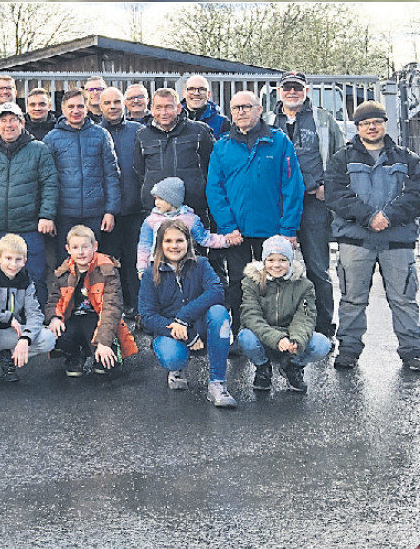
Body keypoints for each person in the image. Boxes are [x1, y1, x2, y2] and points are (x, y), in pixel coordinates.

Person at [325, 100, 420, 372]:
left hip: (397, 240)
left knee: (403, 298)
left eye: (376, 121)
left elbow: (418, 195)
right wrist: (369, 216)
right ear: (357, 127)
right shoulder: (342, 159)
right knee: (352, 298)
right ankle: (348, 349)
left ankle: (412, 352)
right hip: (355, 240)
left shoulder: (407, 158)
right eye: (365, 123)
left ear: (385, 124)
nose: (371, 127)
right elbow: (336, 195)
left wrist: (388, 216)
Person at [206, 90, 304, 336]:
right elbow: (215, 190)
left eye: (247, 107)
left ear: (259, 110)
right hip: (236, 231)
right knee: (239, 282)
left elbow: (293, 185)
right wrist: (228, 227)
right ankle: (241, 331)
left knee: (275, 282)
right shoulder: (222, 147)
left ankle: (275, 333)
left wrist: (288, 230)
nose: (241, 112)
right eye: (236, 108)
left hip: (272, 231)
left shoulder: (279, 142)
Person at [268, 70, 346, 340]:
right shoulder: (267, 121)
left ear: (306, 90)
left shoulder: (323, 120)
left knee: (317, 269)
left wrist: (329, 188)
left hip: (314, 205)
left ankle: (324, 327)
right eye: (287, 87)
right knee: (275, 266)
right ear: (279, 91)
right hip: (277, 206)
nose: (292, 92)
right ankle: (278, 327)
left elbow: (341, 157)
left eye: (297, 88)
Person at [137, 219, 237, 407]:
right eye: (168, 241)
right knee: (172, 357)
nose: (174, 246)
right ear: (160, 244)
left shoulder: (201, 264)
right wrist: (185, 333)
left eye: (179, 241)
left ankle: (217, 383)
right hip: (170, 332)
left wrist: (184, 317)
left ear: (188, 242)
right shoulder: (151, 274)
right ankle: (177, 368)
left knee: (219, 313)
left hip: (200, 325)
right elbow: (147, 316)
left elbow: (217, 291)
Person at [0, 102, 58, 288]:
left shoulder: (39, 150)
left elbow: (50, 184)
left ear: (22, 123)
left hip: (30, 227)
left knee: (35, 276)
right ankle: (5, 317)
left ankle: (36, 316)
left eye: (13, 120)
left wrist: (47, 215)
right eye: (3, 120)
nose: (8, 125)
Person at [238, 235, 332, 392]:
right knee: (245, 337)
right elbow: (251, 315)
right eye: (271, 260)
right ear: (264, 261)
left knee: (322, 344)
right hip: (264, 337)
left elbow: (305, 316)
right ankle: (262, 368)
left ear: (290, 261)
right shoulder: (251, 283)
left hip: (290, 339)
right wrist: (276, 338)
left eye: (282, 260)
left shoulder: (304, 286)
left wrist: (297, 340)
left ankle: (293, 367)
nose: (276, 265)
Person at [0, 233, 55, 392]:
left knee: (48, 339)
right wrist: (7, 317)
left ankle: (6, 354)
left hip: (7, 334)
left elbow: (35, 314)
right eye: (8, 258)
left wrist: (25, 339)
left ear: (24, 261)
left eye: (18, 259)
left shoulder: (26, 282)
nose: (13, 264)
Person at [45, 225, 137, 377]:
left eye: (85, 247)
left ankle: (106, 351)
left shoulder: (107, 270)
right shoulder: (63, 272)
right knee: (52, 336)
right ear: (68, 249)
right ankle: (75, 355)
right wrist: (54, 318)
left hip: (97, 318)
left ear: (94, 246)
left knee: (106, 365)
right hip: (73, 319)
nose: (80, 252)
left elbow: (111, 308)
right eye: (75, 247)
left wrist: (104, 342)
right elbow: (53, 299)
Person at [42, 88, 121, 250]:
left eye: (80, 106)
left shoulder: (101, 135)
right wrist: (49, 215)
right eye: (71, 107)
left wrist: (110, 211)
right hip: (64, 215)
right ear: (63, 109)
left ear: (87, 107)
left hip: (95, 214)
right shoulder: (52, 138)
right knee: (66, 264)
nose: (75, 111)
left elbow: (111, 175)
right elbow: (46, 180)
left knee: (93, 261)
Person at [133, 87, 217, 227]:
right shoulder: (142, 136)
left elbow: (212, 167)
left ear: (178, 108)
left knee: (194, 249)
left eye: (168, 107)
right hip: (157, 212)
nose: (163, 112)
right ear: (152, 109)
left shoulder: (199, 132)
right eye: (159, 107)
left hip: (193, 209)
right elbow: (139, 170)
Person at [97, 86, 144, 318]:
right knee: (111, 261)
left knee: (136, 260)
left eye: (116, 102)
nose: (113, 107)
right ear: (100, 106)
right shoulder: (94, 133)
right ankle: (115, 308)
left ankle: (138, 307)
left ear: (123, 104)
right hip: (108, 212)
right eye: (108, 103)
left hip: (136, 209)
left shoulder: (138, 130)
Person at [137, 177, 232, 275]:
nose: (156, 202)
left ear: (172, 200)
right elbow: (144, 246)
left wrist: (227, 240)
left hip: (185, 268)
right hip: (159, 268)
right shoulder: (151, 221)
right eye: (155, 198)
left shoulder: (190, 219)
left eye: (161, 199)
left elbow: (205, 238)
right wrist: (142, 268)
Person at [182, 75, 231, 140]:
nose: (196, 93)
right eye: (191, 89)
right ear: (184, 93)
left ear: (208, 94)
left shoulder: (222, 123)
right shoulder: (173, 120)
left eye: (202, 89)